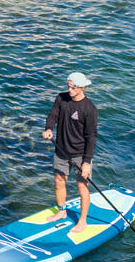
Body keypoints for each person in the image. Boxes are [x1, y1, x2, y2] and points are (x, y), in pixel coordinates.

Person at [42, 71, 98, 237]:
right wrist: (49, 128)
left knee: (82, 186)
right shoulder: (61, 98)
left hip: (81, 155)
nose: (70, 90)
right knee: (59, 180)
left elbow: (91, 137)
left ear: (83, 88)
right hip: (61, 150)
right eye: (69, 86)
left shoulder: (90, 109)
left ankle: (82, 221)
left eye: (73, 88)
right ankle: (61, 211)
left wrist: (87, 162)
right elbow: (52, 115)